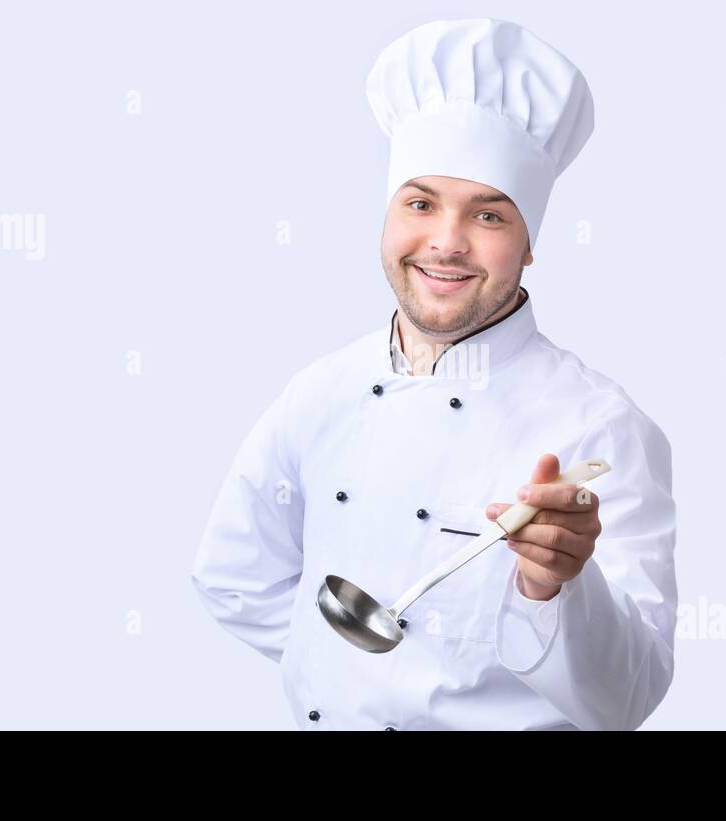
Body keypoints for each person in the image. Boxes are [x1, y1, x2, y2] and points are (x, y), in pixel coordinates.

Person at [192, 17, 677, 730]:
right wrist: (336, 671)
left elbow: (629, 698)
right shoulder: (320, 391)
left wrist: (555, 592)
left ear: (530, 244)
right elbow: (231, 576)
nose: (446, 242)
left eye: (488, 214)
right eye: (420, 203)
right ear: (388, 214)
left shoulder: (600, 425)